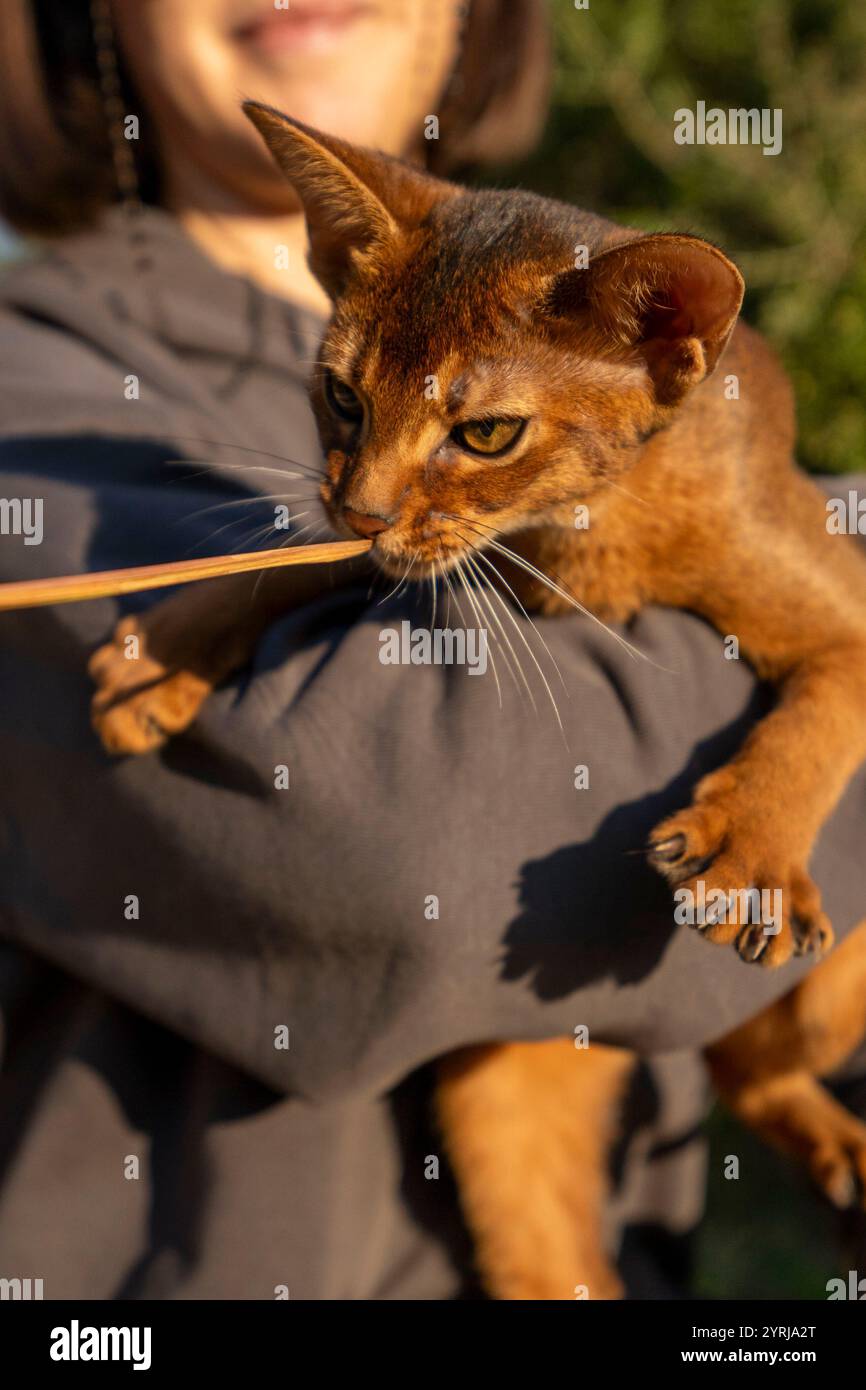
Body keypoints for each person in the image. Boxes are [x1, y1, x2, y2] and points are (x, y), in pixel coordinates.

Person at [0, 0, 863, 1300]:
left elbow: (833, 647)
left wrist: (773, 811)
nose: (355, 495)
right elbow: (420, 855)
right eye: (345, 405)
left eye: (481, 437)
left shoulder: (625, 375)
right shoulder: (36, 382)